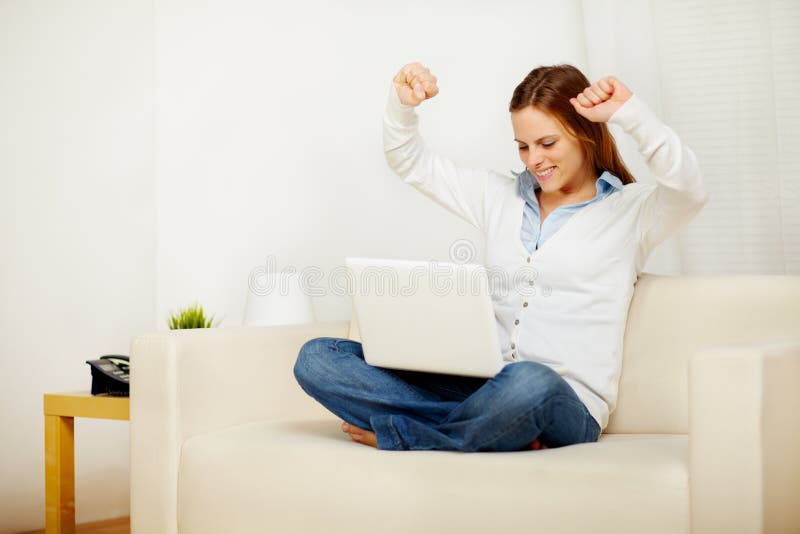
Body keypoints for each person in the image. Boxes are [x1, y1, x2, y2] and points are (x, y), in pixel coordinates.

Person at [293, 62, 709, 452]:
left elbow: (689, 189)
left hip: (559, 402)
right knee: (319, 358)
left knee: (528, 382)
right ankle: (488, 432)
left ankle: (405, 435)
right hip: (480, 389)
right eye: (523, 146)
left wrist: (630, 113)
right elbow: (411, 162)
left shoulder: (630, 212)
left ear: (586, 132)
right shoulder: (499, 198)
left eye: (547, 143)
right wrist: (403, 106)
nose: (535, 160)